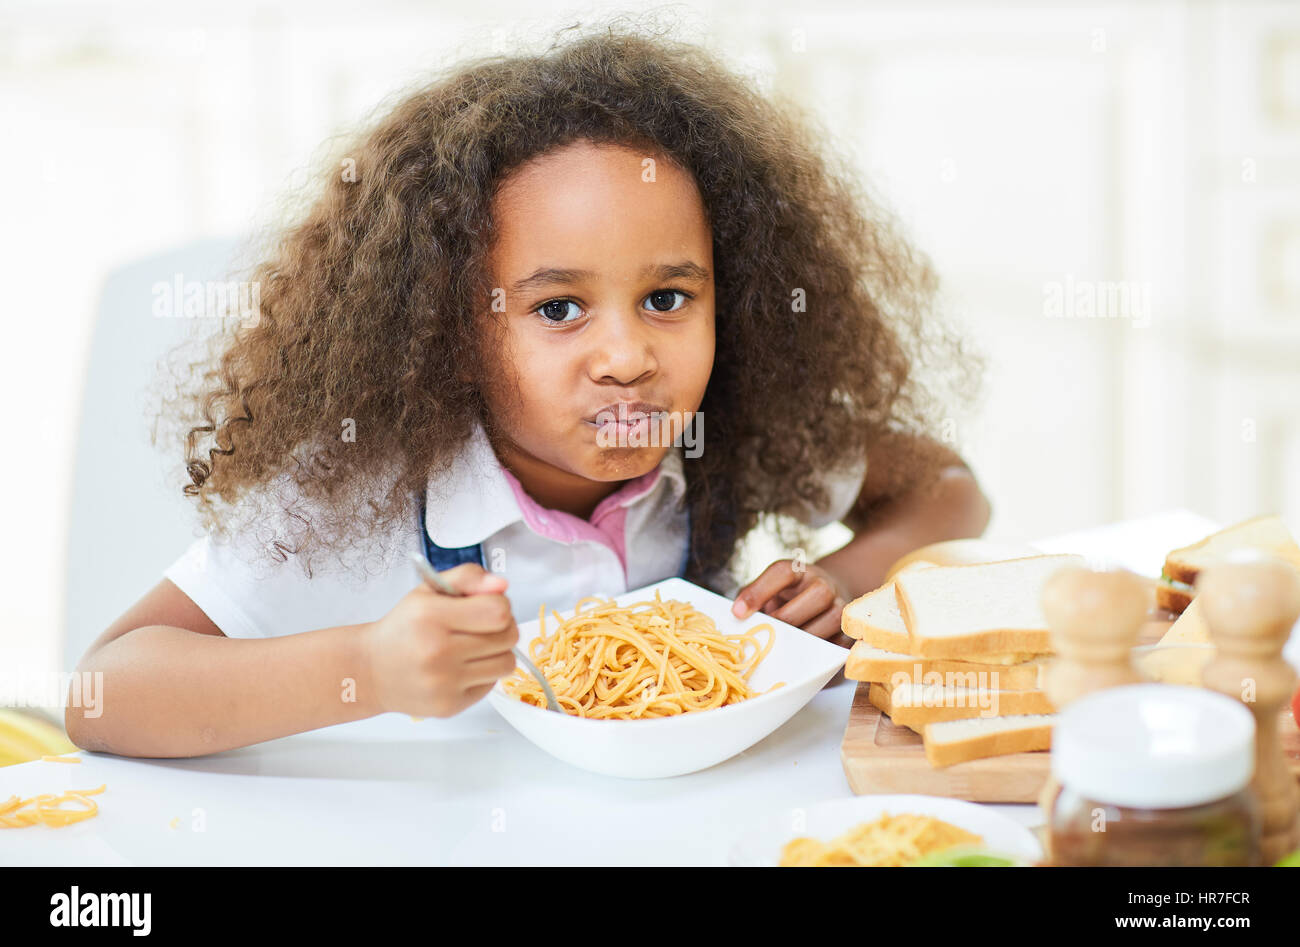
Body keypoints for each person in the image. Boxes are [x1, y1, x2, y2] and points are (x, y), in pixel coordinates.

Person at [67, 25, 988, 757]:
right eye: (558, 310)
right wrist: (366, 668)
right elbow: (105, 693)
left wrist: (839, 587)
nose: (627, 357)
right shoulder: (360, 489)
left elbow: (949, 494)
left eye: (667, 298)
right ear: (450, 330)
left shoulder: (738, 433)